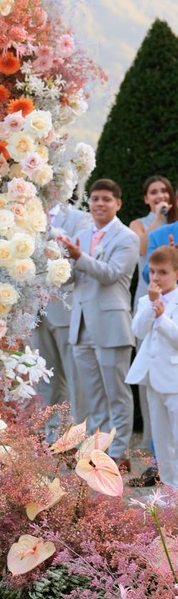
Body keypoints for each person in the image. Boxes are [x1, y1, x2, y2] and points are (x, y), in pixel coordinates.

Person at [61, 179, 140, 473]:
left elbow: (111, 275)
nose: (100, 204)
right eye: (95, 199)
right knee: (92, 395)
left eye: (106, 199)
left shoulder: (127, 237)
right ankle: (97, 449)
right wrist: (60, 264)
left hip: (111, 325)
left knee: (116, 393)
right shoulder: (81, 234)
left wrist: (79, 257)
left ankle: (120, 452)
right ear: (89, 202)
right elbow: (71, 279)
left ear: (118, 203)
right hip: (80, 324)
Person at [130, 176, 178, 477]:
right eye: (154, 272)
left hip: (173, 376)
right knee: (161, 439)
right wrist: (152, 308)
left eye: (163, 272)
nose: (157, 277)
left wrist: (162, 317)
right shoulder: (148, 299)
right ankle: (170, 490)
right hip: (151, 375)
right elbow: (137, 330)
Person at [33, 197, 88, 420]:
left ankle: (78, 435)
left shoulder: (79, 218)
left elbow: (78, 262)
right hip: (34, 310)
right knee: (45, 378)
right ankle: (52, 436)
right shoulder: (22, 216)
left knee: (75, 378)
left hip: (65, 307)